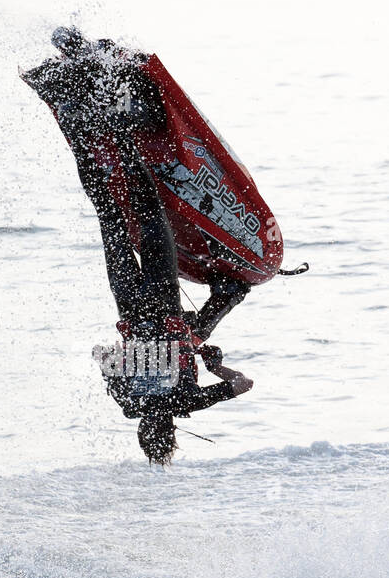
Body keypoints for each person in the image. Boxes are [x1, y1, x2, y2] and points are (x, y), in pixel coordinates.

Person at [23, 28, 254, 464]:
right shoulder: (127, 402)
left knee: (148, 205)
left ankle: (115, 111)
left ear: (171, 434)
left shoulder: (187, 402)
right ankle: (80, 111)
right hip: (127, 299)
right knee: (108, 211)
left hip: (163, 296)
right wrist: (154, 355)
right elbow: (102, 354)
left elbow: (244, 385)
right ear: (146, 433)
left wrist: (212, 365)